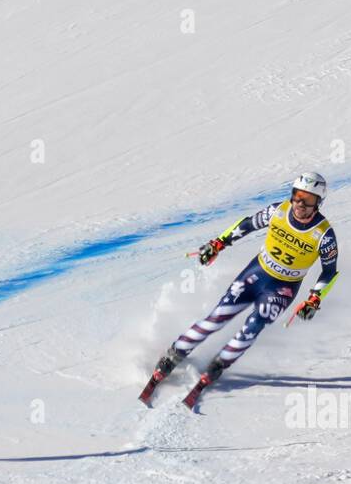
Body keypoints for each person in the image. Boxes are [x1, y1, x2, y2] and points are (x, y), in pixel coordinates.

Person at [140, 171, 340, 408]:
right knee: (217, 317)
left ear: (319, 202)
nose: (300, 204)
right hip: (256, 273)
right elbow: (247, 224)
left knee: (254, 325)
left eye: (308, 199)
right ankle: (172, 356)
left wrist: (314, 299)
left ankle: (216, 368)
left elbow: (329, 272)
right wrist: (218, 244)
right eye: (297, 196)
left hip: (283, 287)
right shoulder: (278, 211)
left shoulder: (324, 235)